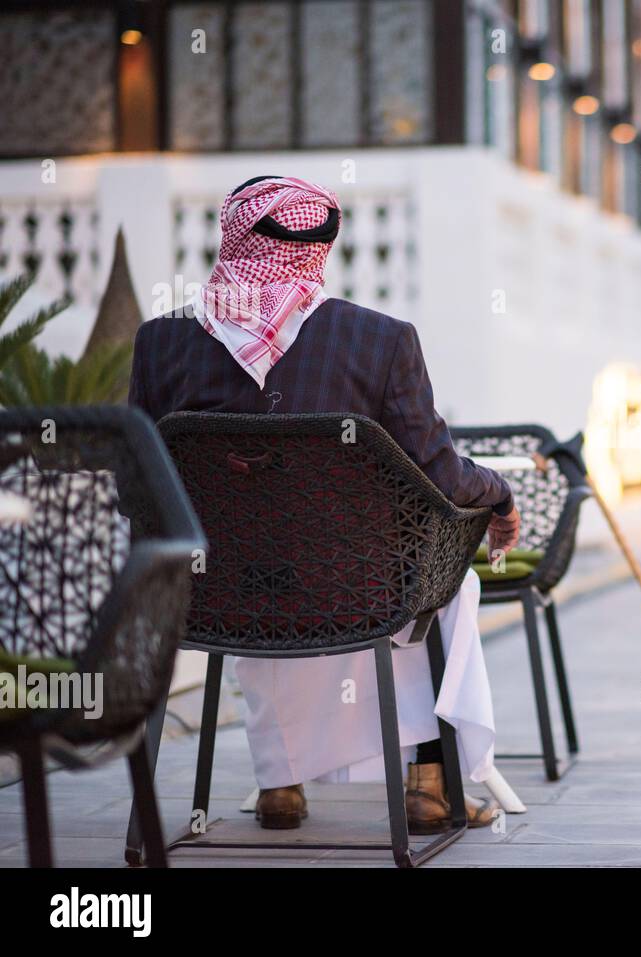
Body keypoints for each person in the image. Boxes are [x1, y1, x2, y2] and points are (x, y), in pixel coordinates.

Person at [128, 176, 520, 832]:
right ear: (322, 246)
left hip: (209, 596)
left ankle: (280, 784)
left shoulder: (161, 344)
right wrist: (499, 493)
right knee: (445, 580)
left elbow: (133, 483)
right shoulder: (379, 341)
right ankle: (427, 784)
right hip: (358, 591)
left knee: (254, 562)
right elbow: (443, 478)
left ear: (233, 233)